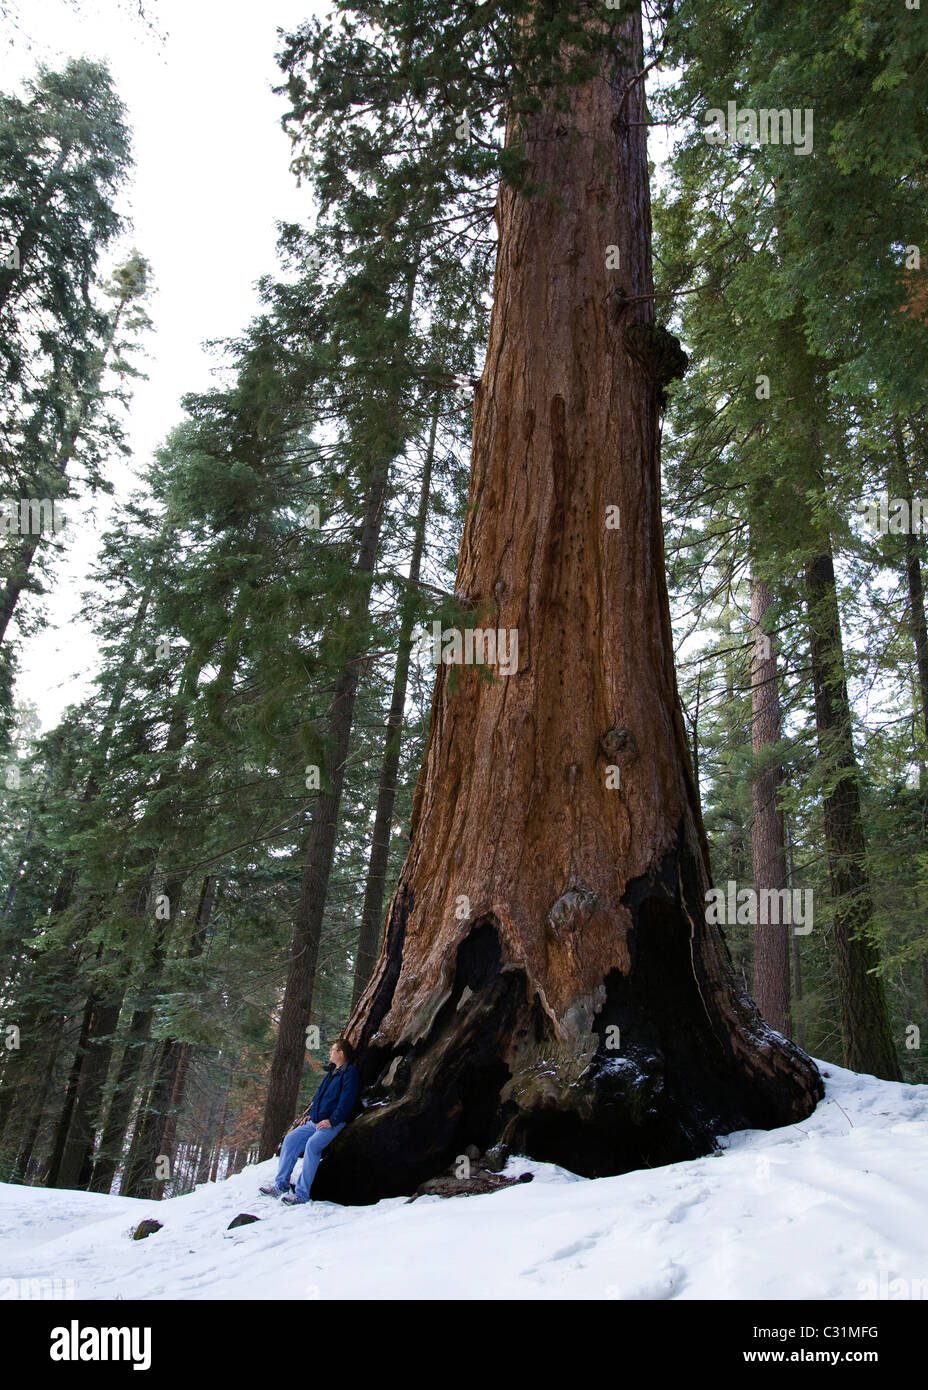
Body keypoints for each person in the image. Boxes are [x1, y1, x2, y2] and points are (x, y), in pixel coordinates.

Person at [259, 1037, 359, 1206]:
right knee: (290, 1139)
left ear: (341, 1053)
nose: (330, 1053)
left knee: (312, 1145)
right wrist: (311, 1114)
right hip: (316, 1121)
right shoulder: (332, 1073)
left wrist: (332, 1120)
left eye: (333, 1050)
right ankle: (281, 1185)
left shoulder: (349, 1073)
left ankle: (302, 1194)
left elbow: (347, 1101)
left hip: (333, 1123)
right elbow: (319, 1097)